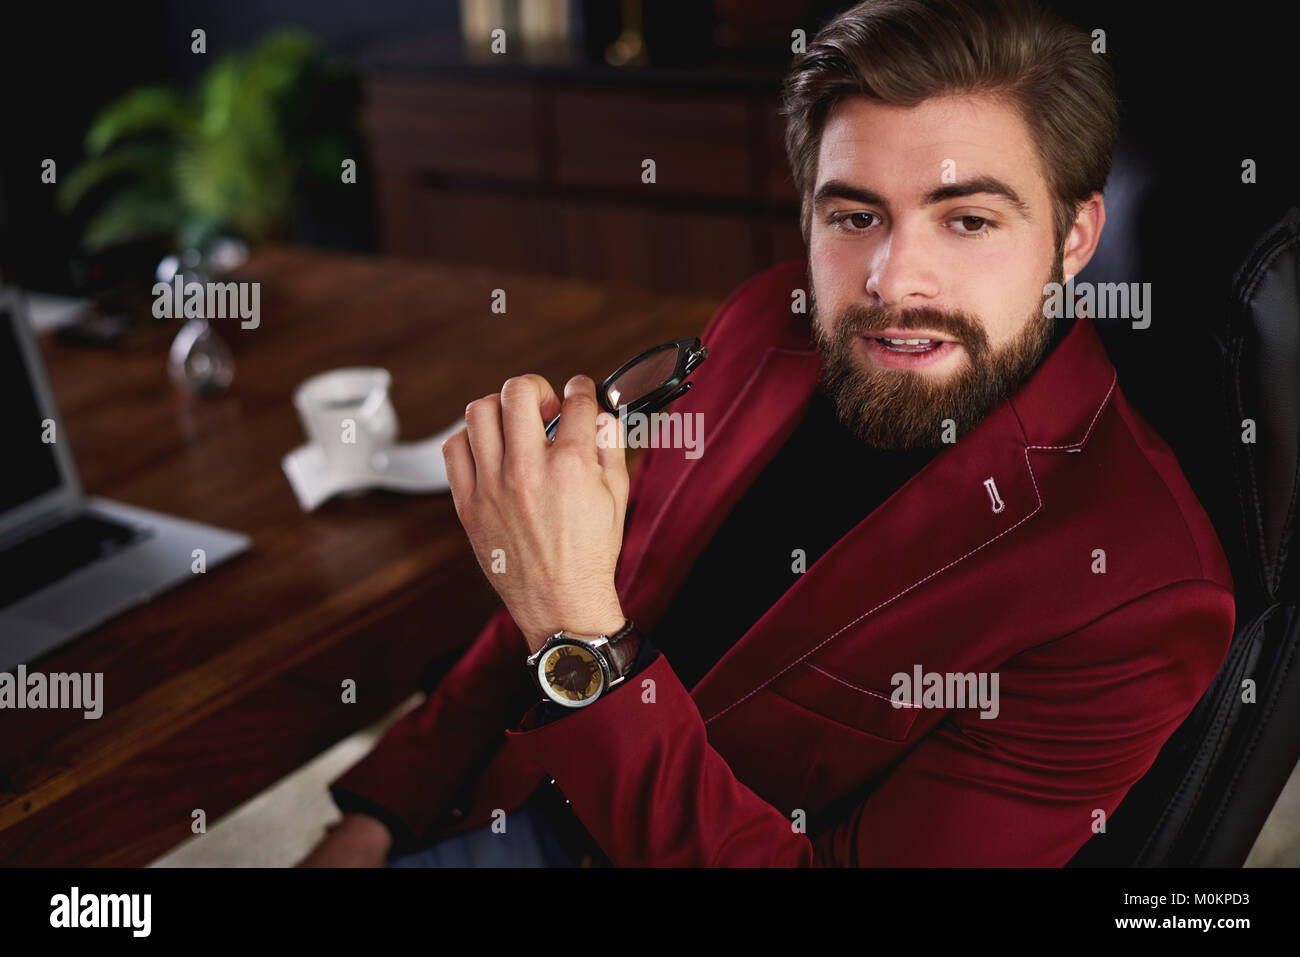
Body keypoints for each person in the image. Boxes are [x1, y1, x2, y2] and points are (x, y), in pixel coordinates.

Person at [299, 0, 1234, 867]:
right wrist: (379, 810)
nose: (894, 280)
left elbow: (568, 609)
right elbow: (568, 576)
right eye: (856, 215)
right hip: (515, 793)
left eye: (969, 221)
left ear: (1073, 240)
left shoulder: (1142, 591)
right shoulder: (762, 322)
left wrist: (575, 628)